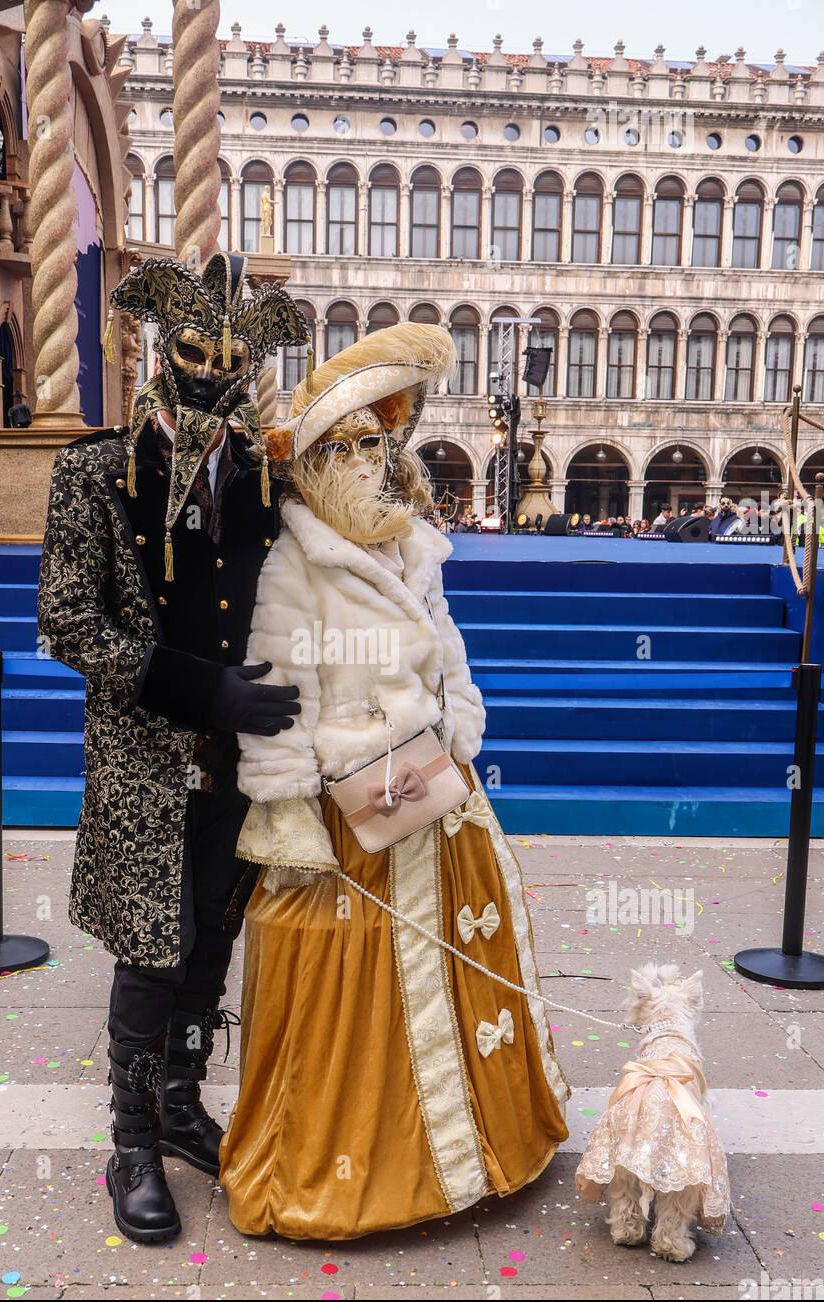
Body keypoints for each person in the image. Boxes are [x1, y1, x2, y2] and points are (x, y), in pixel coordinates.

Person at [217, 323, 570, 1240]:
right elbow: (276, 699)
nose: (375, 461)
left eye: (383, 442)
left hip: (435, 794)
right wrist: (291, 818)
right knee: (355, 993)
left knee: (460, 965)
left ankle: (476, 1150)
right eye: (356, 446)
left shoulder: (413, 548)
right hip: (354, 817)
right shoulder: (295, 562)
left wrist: (460, 729)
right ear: (321, 458)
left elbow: (448, 655)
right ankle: (356, 1173)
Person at [37, 253, 309, 1243]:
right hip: (144, 764)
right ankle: (132, 1141)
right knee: (151, 948)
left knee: (211, 942)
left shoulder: (264, 478)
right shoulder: (93, 470)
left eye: (231, 357)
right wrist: (199, 687)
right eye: (195, 349)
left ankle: (183, 1100)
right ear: (164, 348)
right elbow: (68, 622)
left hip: (236, 767)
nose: (211, 372)